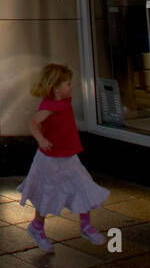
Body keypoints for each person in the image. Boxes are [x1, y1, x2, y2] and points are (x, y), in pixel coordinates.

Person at [18, 63, 109, 250]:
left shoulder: (64, 101)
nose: (71, 86)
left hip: (68, 155)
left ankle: (85, 224)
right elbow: (33, 123)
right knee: (47, 193)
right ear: (56, 87)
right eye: (67, 83)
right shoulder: (49, 106)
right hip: (50, 159)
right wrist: (41, 139)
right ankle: (37, 226)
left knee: (83, 185)